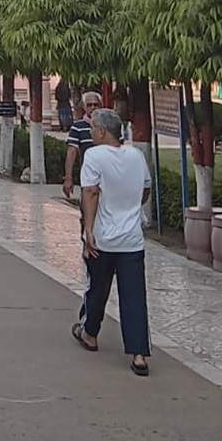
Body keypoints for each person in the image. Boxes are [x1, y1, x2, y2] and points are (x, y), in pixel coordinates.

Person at [71, 109, 152, 375]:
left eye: (93, 127)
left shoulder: (94, 156)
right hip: (132, 240)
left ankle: (90, 333)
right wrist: (128, 208)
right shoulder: (136, 156)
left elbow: (91, 193)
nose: (91, 132)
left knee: (97, 288)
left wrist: (89, 231)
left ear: (102, 131)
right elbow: (146, 190)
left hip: (103, 238)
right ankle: (139, 354)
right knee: (134, 296)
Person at [62, 91, 103, 201]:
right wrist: (68, 178)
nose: (93, 107)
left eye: (96, 104)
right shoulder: (78, 127)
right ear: (84, 107)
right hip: (87, 175)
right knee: (87, 209)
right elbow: (72, 152)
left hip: (108, 176)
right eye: (89, 105)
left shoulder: (109, 125)